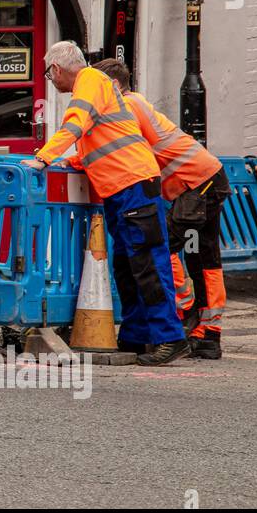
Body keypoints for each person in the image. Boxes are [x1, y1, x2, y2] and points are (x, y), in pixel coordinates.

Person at [22, 41, 186, 365]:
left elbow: (74, 124)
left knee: (149, 266)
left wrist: (43, 159)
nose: (50, 82)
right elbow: (105, 139)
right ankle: (137, 336)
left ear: (56, 69)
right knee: (128, 267)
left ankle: (170, 338)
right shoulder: (97, 88)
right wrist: (76, 162)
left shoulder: (90, 81)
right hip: (123, 188)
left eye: (48, 74)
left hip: (133, 186)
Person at [94, 58, 229, 359]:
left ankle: (181, 317)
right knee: (204, 259)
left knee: (160, 247)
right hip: (203, 178)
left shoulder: (126, 106)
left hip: (195, 183)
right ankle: (208, 334)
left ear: (113, 86)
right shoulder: (135, 103)